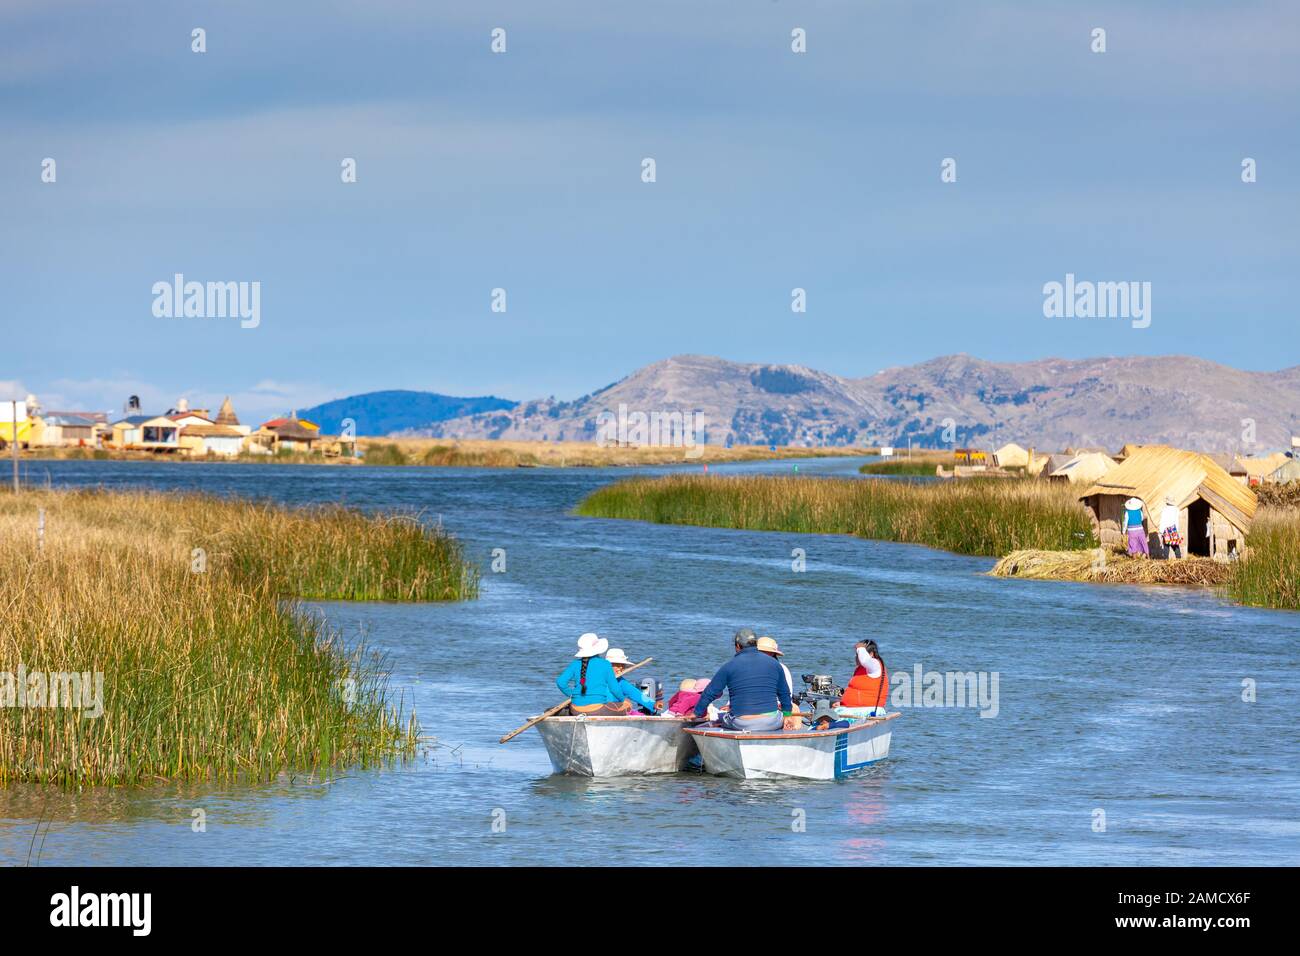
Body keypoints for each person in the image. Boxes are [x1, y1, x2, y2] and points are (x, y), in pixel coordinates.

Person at [694, 628, 792, 732]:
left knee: (722, 718)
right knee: (780, 715)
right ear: (755, 644)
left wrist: (697, 713)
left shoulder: (729, 666)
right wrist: (787, 715)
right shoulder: (775, 665)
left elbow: (710, 692)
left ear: (737, 646)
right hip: (771, 722)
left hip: (741, 723)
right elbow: (784, 693)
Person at [554, 633, 633, 716]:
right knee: (628, 704)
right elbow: (614, 689)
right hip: (597, 710)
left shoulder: (575, 664)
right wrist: (622, 700)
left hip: (575, 709)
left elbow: (560, 682)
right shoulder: (605, 664)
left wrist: (572, 694)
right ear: (598, 649)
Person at [836, 639, 889, 719]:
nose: (856, 657)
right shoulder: (860, 669)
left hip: (867, 711)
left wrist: (860, 647)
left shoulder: (875, 664)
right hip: (854, 709)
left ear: (871, 654)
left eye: (858, 654)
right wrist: (842, 703)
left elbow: (865, 660)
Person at [757, 635, 801, 730]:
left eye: (764, 652)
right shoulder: (748, 667)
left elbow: (786, 697)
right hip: (756, 706)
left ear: (772, 654)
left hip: (776, 706)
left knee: (794, 707)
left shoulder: (782, 669)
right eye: (760, 652)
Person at [606, 647, 658, 714]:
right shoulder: (598, 678)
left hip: (613, 709)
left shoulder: (621, 682)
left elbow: (635, 694)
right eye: (617, 665)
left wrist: (653, 705)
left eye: (622, 665)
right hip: (599, 708)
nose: (620, 668)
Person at [1158, 495, 1183, 560]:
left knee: (1166, 546)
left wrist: (1160, 531)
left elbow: (1162, 521)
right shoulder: (1176, 509)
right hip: (1173, 529)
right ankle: (1179, 559)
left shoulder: (1164, 510)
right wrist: (1177, 530)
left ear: (1167, 502)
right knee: (1175, 546)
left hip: (1166, 530)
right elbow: (1177, 520)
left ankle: (1166, 560)